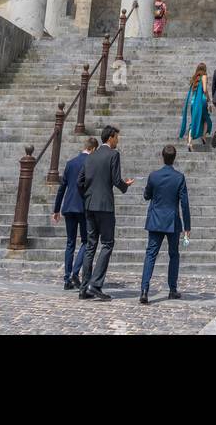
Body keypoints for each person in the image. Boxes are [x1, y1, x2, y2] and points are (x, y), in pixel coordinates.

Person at [78, 124, 134, 301]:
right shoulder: (113, 155)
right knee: (107, 243)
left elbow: (80, 181)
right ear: (110, 137)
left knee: (90, 245)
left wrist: (87, 197)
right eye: (117, 137)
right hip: (105, 206)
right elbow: (116, 180)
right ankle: (96, 284)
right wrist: (126, 186)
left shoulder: (91, 156)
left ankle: (83, 287)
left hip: (89, 204)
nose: (118, 140)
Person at [139, 144, 191, 305]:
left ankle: (144, 289)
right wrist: (187, 227)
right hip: (172, 221)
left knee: (150, 254)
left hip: (155, 219)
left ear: (162, 157)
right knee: (173, 254)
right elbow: (185, 204)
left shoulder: (154, 176)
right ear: (174, 158)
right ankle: (172, 289)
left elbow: (146, 195)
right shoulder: (179, 177)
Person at [52, 135, 98, 291]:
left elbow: (62, 187)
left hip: (68, 206)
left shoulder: (70, 163)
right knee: (86, 241)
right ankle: (75, 272)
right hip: (84, 207)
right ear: (92, 149)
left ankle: (66, 278)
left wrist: (56, 209)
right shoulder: (91, 162)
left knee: (70, 242)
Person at [179, 61, 212, 152]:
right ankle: (203, 135)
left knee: (193, 121)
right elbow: (205, 90)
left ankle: (189, 142)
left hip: (193, 101)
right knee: (206, 119)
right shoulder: (204, 76)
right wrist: (209, 99)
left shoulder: (195, 78)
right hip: (201, 100)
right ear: (204, 69)